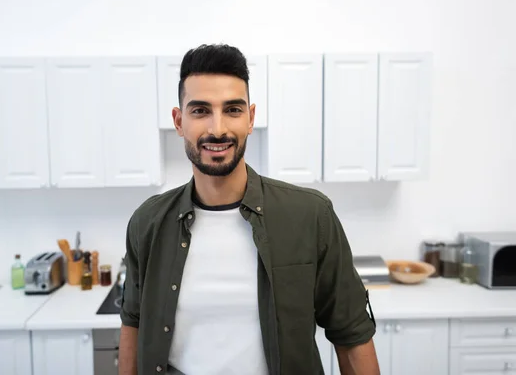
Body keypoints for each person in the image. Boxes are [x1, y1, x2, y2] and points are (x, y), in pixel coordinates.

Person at [119, 44, 380, 375]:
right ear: (179, 121)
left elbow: (352, 334)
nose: (217, 129)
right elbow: (133, 323)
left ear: (251, 118)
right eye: (200, 110)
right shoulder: (148, 223)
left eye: (232, 110)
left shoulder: (310, 216)